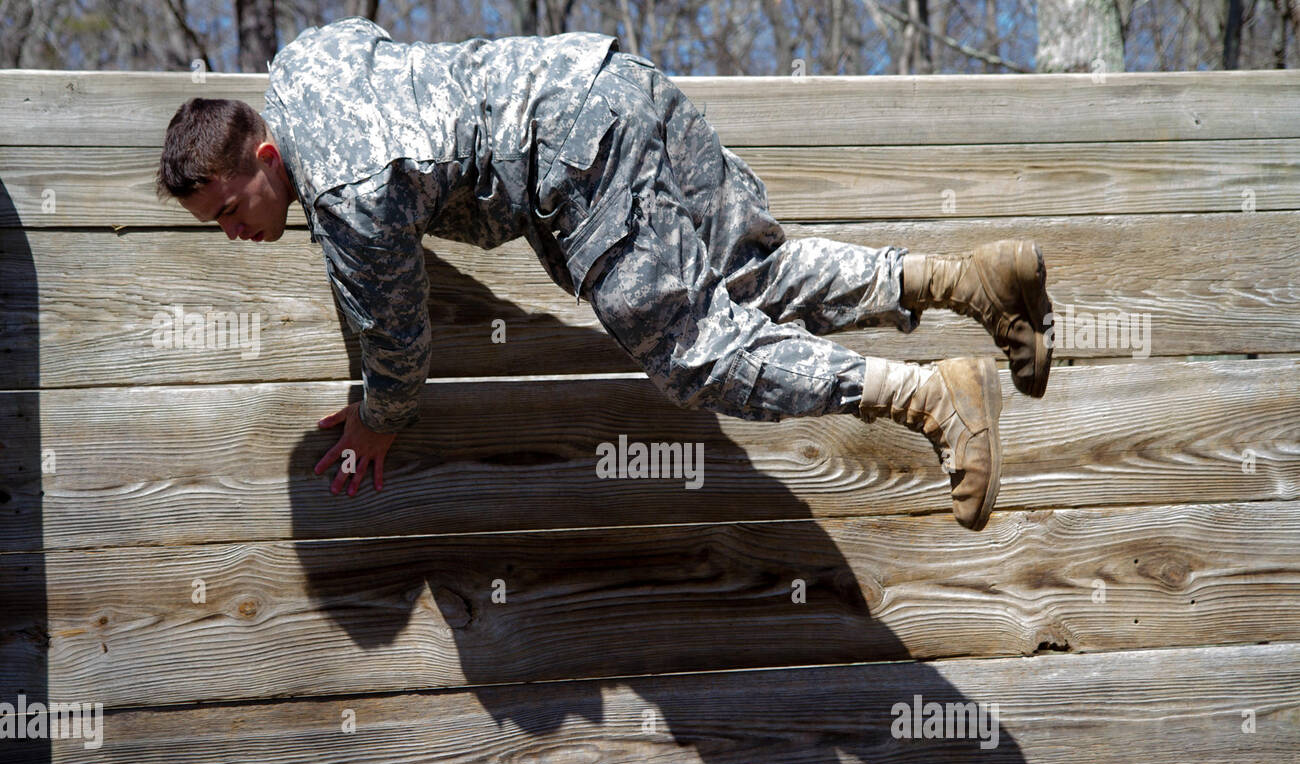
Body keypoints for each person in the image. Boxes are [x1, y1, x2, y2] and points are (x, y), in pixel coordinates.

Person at [156, 16, 1053, 531]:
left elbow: (397, 336)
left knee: (693, 355)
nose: (234, 232)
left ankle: (929, 398)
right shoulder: (307, 58)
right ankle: (968, 282)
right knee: (749, 275)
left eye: (233, 209)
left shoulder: (346, 194)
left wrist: (380, 415)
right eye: (215, 226)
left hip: (576, 157)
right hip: (610, 78)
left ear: (266, 154)